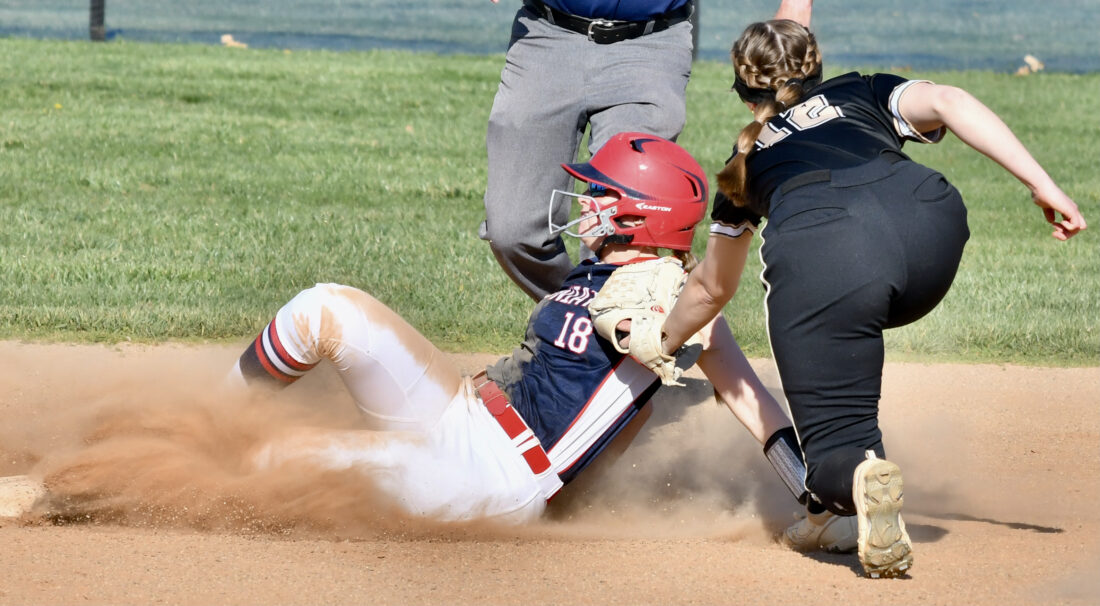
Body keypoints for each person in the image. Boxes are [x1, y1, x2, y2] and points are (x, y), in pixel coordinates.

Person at [0, 133, 822, 528]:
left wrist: (814, 497)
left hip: (495, 477)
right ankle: (203, 420)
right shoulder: (609, 269)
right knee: (327, 308)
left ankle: (67, 498)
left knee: (271, 470)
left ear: (642, 215)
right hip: (461, 413)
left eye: (602, 196)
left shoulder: (678, 306)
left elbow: (748, 396)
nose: (586, 206)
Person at [657, 21, 1087, 578]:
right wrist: (1041, 184)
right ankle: (834, 494)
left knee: (839, 446)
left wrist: (662, 340)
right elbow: (952, 101)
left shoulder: (742, 169)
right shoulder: (860, 89)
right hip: (930, 226)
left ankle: (854, 476)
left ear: (742, 91)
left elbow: (712, 289)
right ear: (816, 66)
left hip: (830, 255)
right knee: (853, 307)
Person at [481, 0, 814, 301]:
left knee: (621, 228)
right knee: (514, 230)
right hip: (545, 37)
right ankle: (571, 323)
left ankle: (590, 350)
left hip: (650, 44)